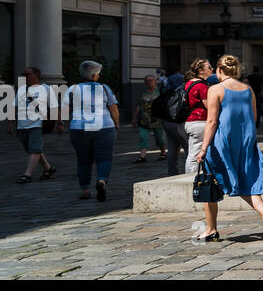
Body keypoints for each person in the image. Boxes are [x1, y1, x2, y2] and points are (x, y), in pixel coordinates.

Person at [192, 55, 263, 242]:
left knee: (209, 182)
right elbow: (254, 117)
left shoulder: (215, 89)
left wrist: (203, 148)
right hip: (245, 142)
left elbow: (212, 121)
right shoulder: (248, 90)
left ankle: (211, 229)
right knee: (247, 183)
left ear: (219, 70)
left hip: (222, 143)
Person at [67, 61, 120, 201]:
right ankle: (102, 181)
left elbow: (66, 108)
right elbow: (113, 108)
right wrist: (116, 123)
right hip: (104, 127)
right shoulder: (104, 88)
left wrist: (63, 123)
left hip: (79, 128)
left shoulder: (73, 89)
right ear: (95, 75)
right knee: (104, 158)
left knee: (83, 161)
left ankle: (85, 190)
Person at [15, 67, 55, 183]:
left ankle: (27, 175)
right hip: (22, 124)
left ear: (35, 75)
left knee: (35, 149)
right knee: (34, 150)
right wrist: (11, 122)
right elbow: (15, 106)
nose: (23, 77)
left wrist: (59, 122)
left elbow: (53, 107)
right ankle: (48, 168)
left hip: (37, 123)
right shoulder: (22, 89)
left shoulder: (46, 88)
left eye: (26, 74)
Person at [183, 59, 214, 174]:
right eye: (209, 67)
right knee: (195, 153)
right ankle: (191, 178)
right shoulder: (201, 86)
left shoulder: (189, 83)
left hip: (190, 121)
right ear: (201, 71)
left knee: (194, 151)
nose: (212, 69)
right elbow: (209, 106)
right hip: (199, 122)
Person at [133, 75, 167, 164]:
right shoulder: (143, 93)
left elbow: (165, 105)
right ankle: (142, 156)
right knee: (142, 136)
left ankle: (163, 152)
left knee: (160, 137)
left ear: (155, 81)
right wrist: (134, 118)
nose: (149, 82)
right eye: (147, 81)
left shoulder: (160, 92)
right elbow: (139, 106)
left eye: (151, 80)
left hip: (157, 120)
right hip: (144, 120)